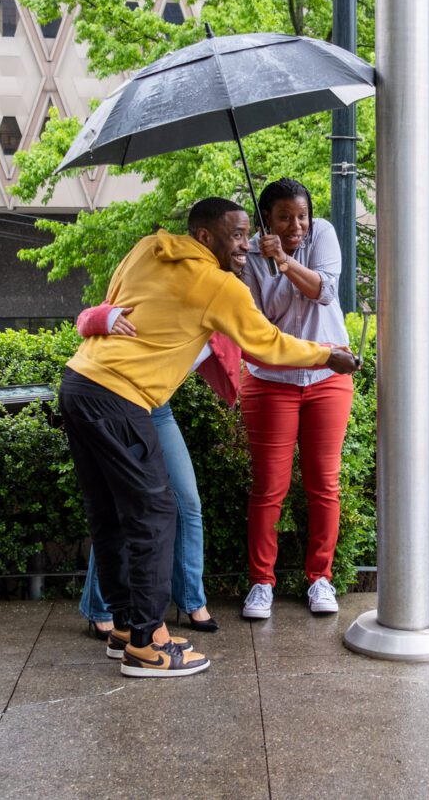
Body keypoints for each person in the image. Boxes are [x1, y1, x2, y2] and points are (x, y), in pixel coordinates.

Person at [58, 196, 358, 679]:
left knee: (109, 514)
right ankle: (149, 643)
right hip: (121, 398)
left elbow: (114, 304)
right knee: (155, 514)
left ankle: (122, 631)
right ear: (205, 237)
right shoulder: (219, 286)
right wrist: (328, 355)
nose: (246, 246)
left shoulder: (147, 248)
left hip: (78, 385)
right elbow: (269, 346)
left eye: (246, 234)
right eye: (236, 236)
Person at [238, 178, 355, 621]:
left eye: (300, 215)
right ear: (266, 217)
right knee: (270, 487)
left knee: (324, 483)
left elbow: (323, 290)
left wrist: (284, 261)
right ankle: (260, 584)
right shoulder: (248, 256)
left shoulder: (322, 234)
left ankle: (319, 578)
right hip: (271, 380)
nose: (296, 224)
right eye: (284, 217)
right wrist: (265, 261)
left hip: (329, 375)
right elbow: (258, 326)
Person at [75, 304, 218, 640]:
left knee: (188, 502)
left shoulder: (226, 302)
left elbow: (265, 337)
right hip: (117, 400)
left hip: (156, 407)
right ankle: (101, 609)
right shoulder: (163, 284)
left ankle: (192, 600)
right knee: (119, 509)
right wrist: (107, 319)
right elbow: (84, 319)